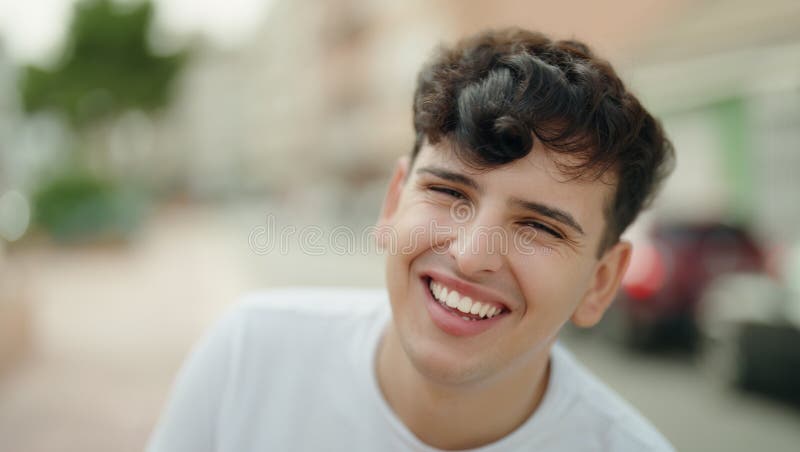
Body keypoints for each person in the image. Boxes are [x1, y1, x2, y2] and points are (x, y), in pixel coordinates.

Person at [148, 28, 676, 451]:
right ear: (394, 200)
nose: (470, 258)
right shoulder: (249, 358)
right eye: (449, 192)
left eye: (538, 226)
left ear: (600, 283)